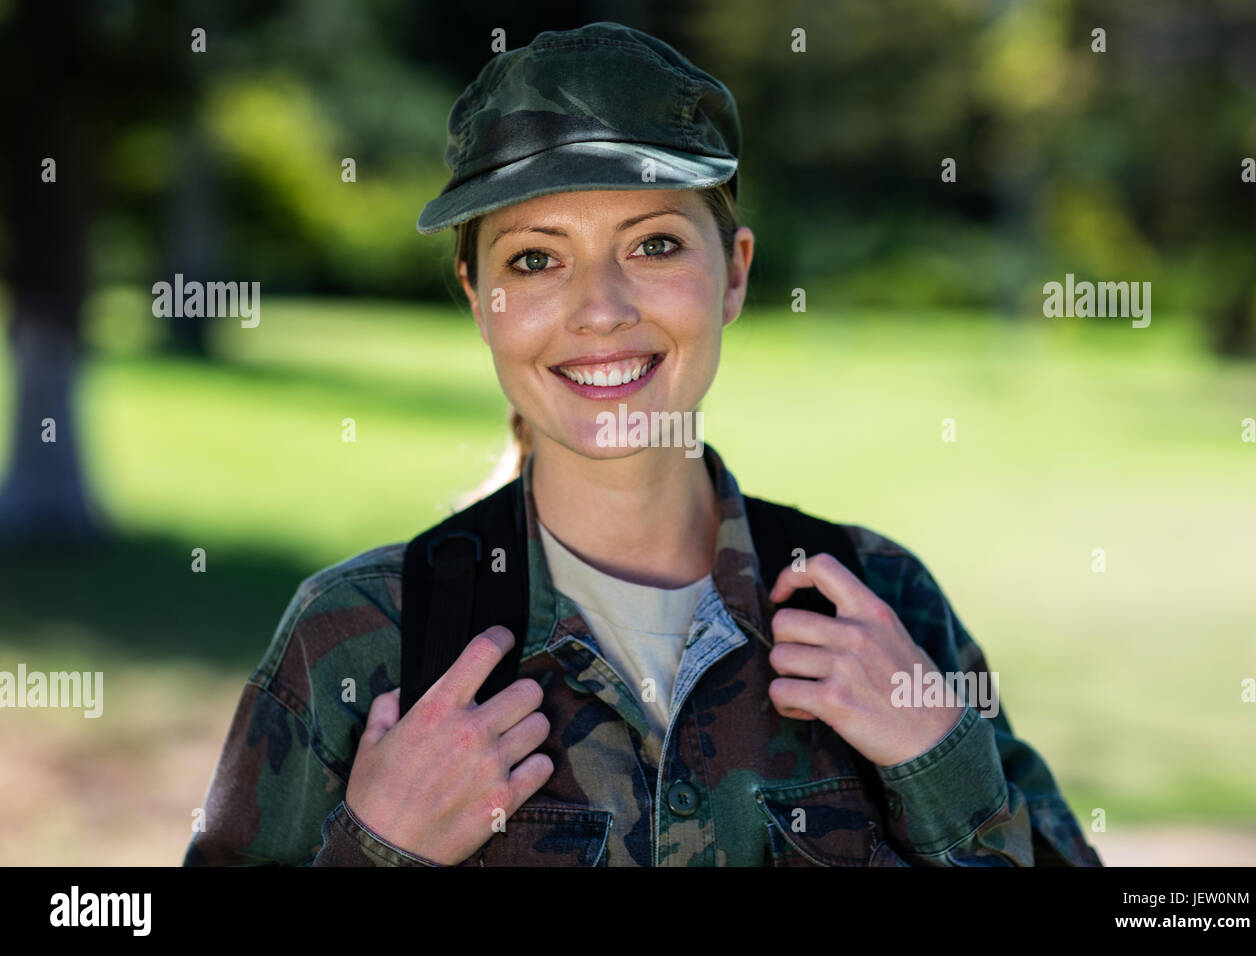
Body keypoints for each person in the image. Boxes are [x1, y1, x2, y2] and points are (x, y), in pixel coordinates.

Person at [183, 21, 1102, 867]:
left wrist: (939, 761)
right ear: (478, 299)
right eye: (535, 259)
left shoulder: (875, 603)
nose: (602, 311)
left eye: (655, 245)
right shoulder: (365, 639)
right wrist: (378, 849)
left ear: (733, 275)